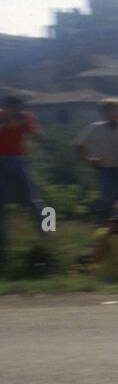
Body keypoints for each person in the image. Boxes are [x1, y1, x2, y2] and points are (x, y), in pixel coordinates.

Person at [0, 94, 45, 260]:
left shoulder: (26, 117)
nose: (17, 110)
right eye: (14, 107)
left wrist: (31, 128)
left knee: (35, 200)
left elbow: (38, 136)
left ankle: (49, 235)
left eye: (20, 107)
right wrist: (7, 124)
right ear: (6, 107)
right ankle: (3, 248)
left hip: (18, 159)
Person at [74, 99, 118, 217]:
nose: (111, 113)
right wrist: (88, 159)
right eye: (107, 111)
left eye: (114, 110)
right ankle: (114, 227)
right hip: (105, 169)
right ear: (103, 113)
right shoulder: (94, 127)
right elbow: (78, 145)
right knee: (110, 200)